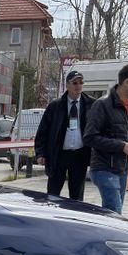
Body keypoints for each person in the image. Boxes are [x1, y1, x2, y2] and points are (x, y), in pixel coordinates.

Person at [83, 63, 128, 214]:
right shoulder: (102, 105)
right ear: (127, 82)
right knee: (114, 211)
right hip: (103, 168)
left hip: (123, 168)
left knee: (113, 213)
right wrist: (121, 146)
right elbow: (89, 137)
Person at [33, 69, 95, 200]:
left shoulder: (91, 104)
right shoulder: (55, 106)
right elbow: (42, 132)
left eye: (81, 83)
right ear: (67, 85)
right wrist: (40, 153)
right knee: (53, 194)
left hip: (80, 155)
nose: (78, 86)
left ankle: (74, 212)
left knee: (77, 196)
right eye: (75, 83)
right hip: (58, 154)